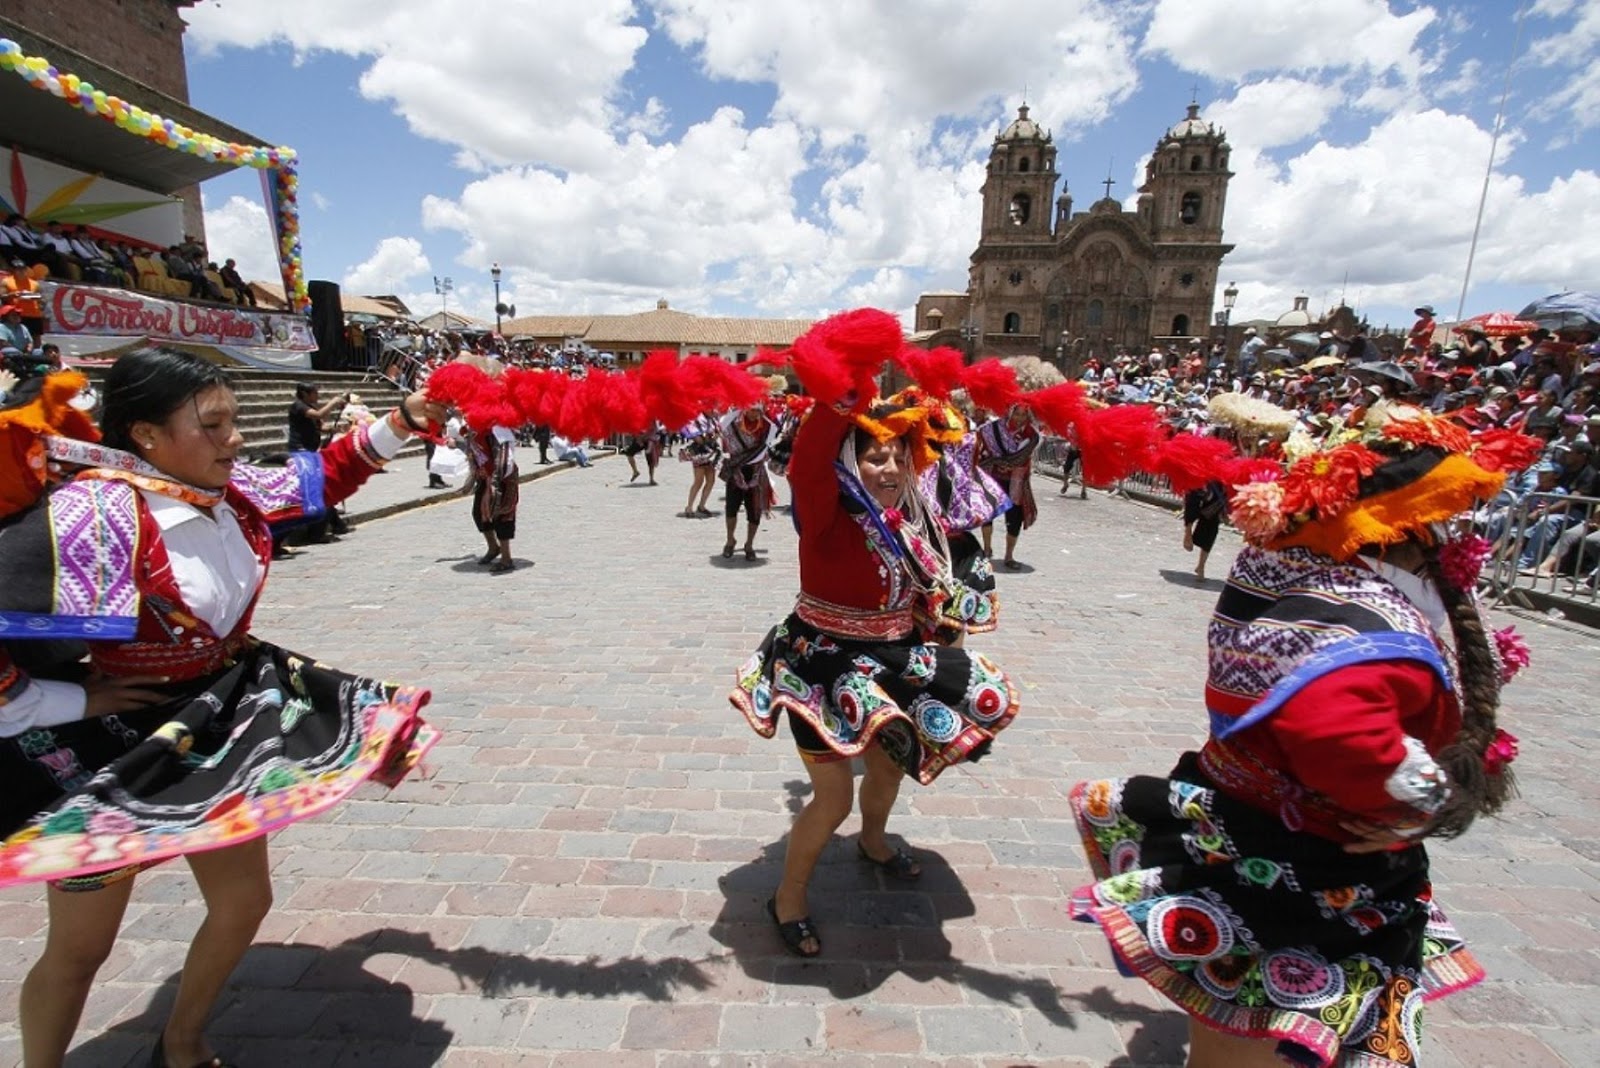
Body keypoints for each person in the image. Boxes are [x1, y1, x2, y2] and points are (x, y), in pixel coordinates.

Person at [0, 349, 440, 1068]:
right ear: (145, 434)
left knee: (242, 903)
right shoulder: (96, 510)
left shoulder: (226, 493)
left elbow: (321, 478)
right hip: (116, 750)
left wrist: (406, 420)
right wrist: (69, 696)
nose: (234, 439)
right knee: (81, 949)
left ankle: (181, 1041)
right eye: (212, 424)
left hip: (218, 728)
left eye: (233, 419)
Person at [1067, 405, 1537, 1068]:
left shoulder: (1290, 574)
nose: (1456, 534)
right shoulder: (1369, 625)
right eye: (1447, 516)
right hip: (1299, 864)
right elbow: (1337, 735)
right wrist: (1428, 799)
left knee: (1233, 1031)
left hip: (1245, 826)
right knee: (1253, 1034)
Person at [729, 309, 1019, 958]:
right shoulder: (823, 508)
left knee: (890, 766)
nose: (888, 469)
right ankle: (788, 898)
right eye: (873, 457)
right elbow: (812, 452)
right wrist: (849, 380)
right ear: (847, 462)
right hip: (821, 663)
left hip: (892, 659)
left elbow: (927, 590)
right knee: (832, 797)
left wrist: (942, 635)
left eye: (896, 457)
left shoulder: (908, 520)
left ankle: (874, 840)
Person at [976, 404, 1041, 569]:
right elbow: (978, 443)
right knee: (987, 513)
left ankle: (1009, 556)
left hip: (1016, 481)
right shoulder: (993, 429)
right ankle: (987, 549)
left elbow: (1019, 458)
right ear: (1010, 413)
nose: (1019, 418)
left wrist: (995, 460)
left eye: (1023, 415)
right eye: (1017, 413)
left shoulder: (1032, 435)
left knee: (1014, 518)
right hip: (993, 478)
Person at [719, 404, 775, 561]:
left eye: (757, 410)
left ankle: (749, 544)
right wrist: (740, 403)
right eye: (751, 409)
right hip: (736, 470)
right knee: (731, 508)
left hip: (755, 471)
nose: (754, 413)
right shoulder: (733, 424)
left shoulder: (766, 427)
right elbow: (722, 424)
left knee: (754, 511)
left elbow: (771, 437)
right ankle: (730, 540)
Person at [465, 422, 519, 573]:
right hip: (485, 478)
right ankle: (493, 547)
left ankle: (506, 558)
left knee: (502, 515)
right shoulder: (471, 429)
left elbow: (504, 457)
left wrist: (495, 483)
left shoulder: (498, 430)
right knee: (479, 513)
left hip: (502, 477)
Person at [1181, 478, 1227, 581]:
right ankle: (1188, 532)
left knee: (1212, 528)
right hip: (1202, 479)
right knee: (1193, 502)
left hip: (1219, 484)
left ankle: (1201, 566)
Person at [678, 412, 722, 517]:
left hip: (711, 453)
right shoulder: (696, 419)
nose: (712, 410)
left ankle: (702, 506)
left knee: (711, 481)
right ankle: (689, 507)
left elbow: (715, 435)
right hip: (699, 453)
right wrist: (705, 438)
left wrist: (715, 436)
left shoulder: (713, 420)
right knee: (698, 481)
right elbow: (695, 436)